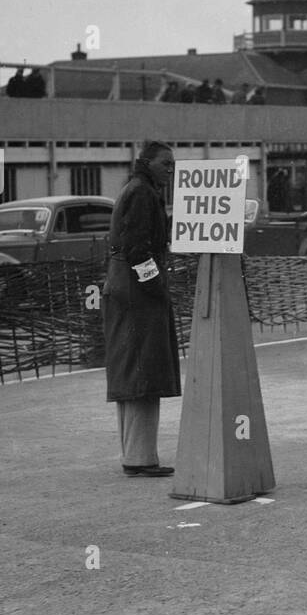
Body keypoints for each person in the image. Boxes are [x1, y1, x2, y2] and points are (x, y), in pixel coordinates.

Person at [103, 141, 182, 477]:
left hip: (123, 287)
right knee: (143, 373)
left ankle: (135, 453)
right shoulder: (143, 194)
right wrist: (156, 288)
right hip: (137, 293)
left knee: (130, 372)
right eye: (166, 163)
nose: (171, 170)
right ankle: (140, 458)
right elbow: (138, 249)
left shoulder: (134, 189)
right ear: (148, 162)